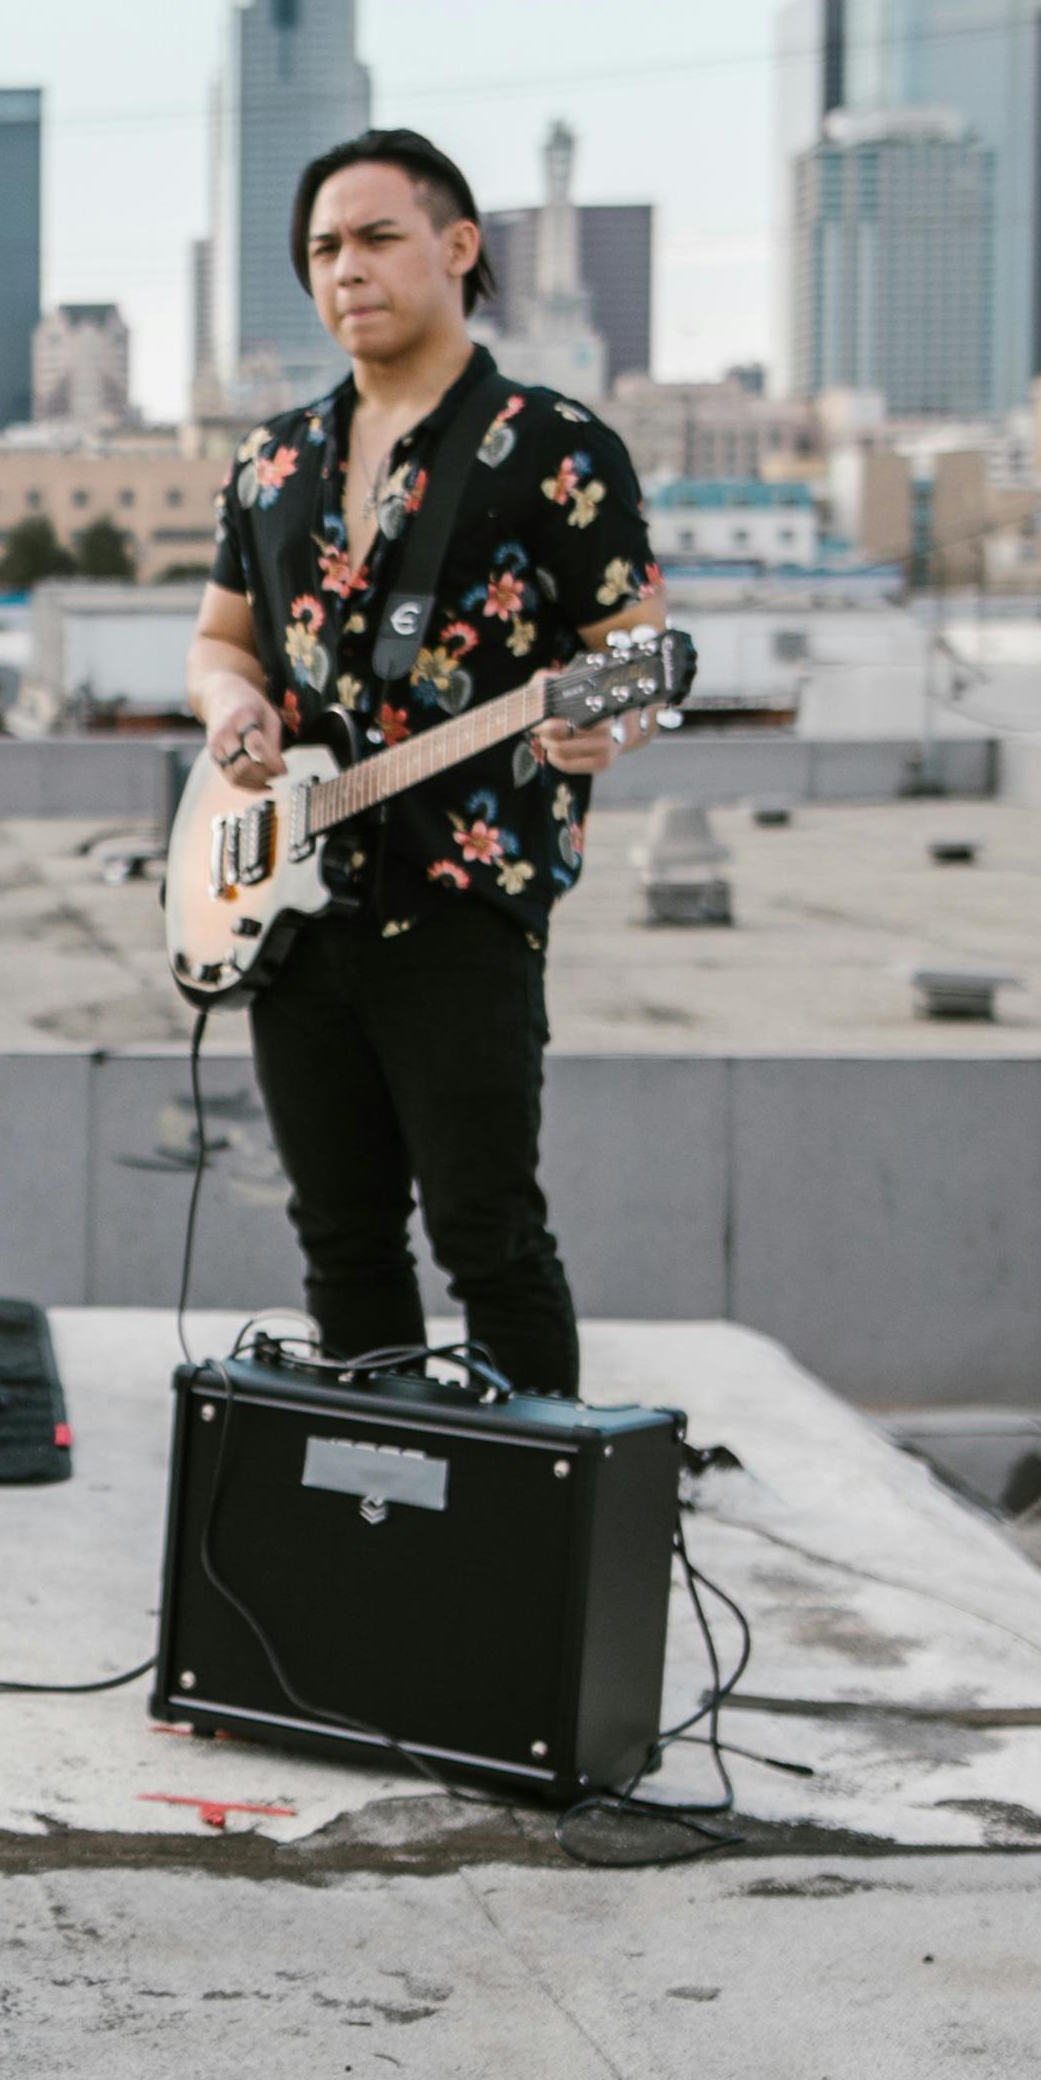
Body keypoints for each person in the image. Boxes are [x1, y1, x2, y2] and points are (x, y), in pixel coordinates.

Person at [183, 128, 657, 1398]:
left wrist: (605, 724)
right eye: (323, 248)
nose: (347, 267)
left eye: (377, 237)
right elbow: (219, 644)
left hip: (463, 907)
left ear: (456, 247)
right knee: (338, 1237)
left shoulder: (554, 445)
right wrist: (234, 711)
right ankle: (378, 1481)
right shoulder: (270, 461)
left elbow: (636, 653)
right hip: (291, 912)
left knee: (485, 1233)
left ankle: (533, 1489)